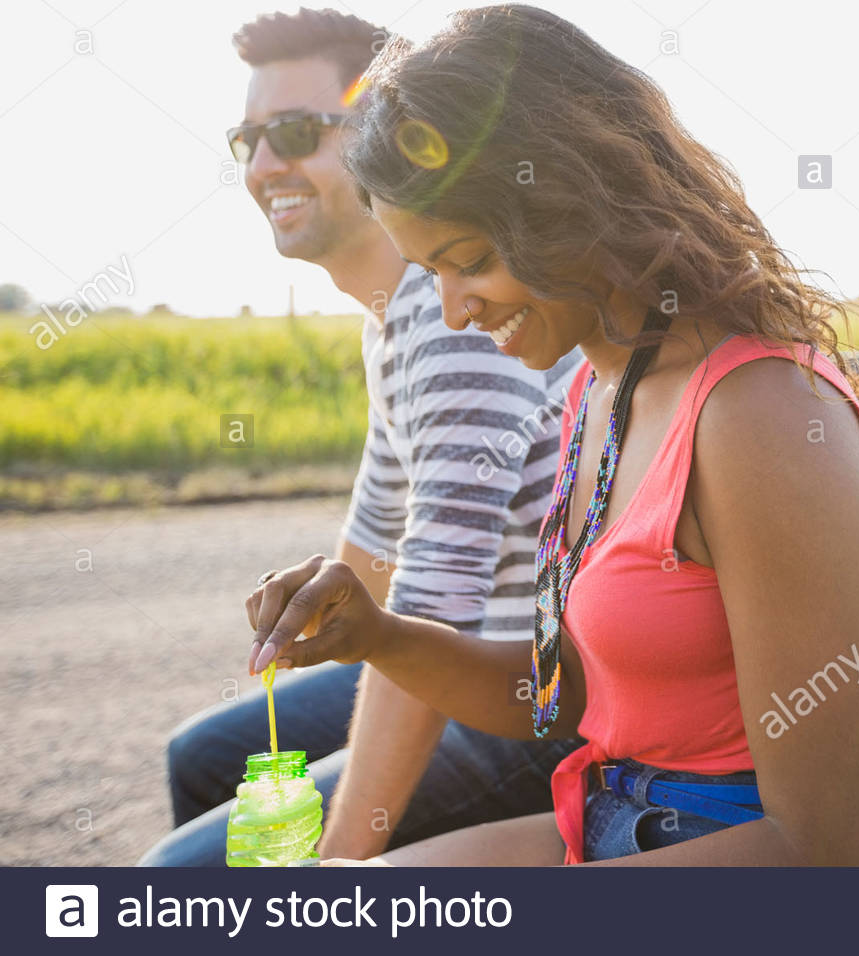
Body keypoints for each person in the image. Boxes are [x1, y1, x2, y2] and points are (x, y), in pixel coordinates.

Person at [243, 3, 859, 866]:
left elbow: (834, 852)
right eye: (431, 272)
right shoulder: (601, 389)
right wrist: (381, 636)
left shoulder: (764, 418)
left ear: (568, 201)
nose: (454, 310)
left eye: (472, 259)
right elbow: (561, 700)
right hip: (610, 820)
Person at [138, 7, 582, 866]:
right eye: (248, 140)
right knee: (201, 756)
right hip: (459, 651)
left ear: (386, 132)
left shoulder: (452, 319)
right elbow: (372, 554)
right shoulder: (392, 316)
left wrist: (338, 868)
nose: (266, 166)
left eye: (298, 133)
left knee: (176, 876)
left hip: (536, 704)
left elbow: (424, 613)